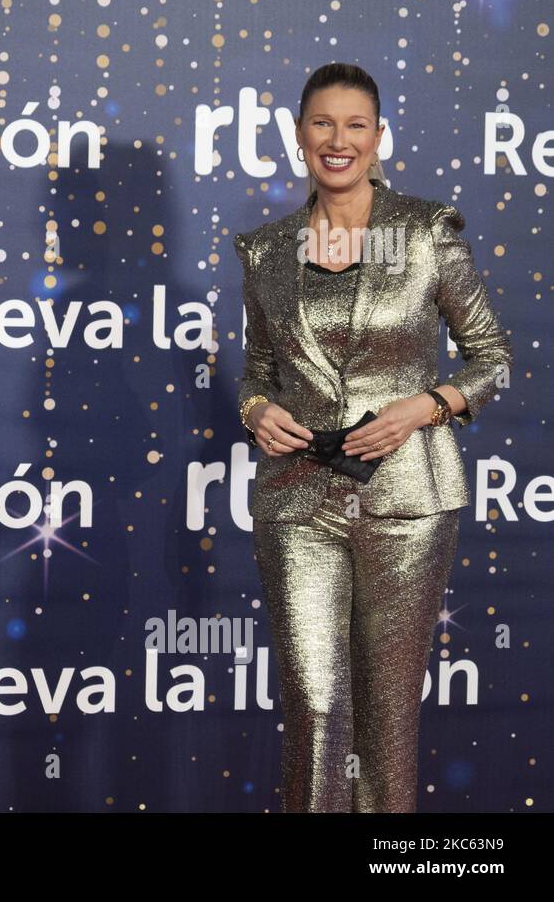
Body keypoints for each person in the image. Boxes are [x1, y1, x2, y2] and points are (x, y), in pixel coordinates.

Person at [234, 63, 512, 812]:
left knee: (387, 719)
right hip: (297, 504)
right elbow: (257, 370)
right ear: (299, 136)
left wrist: (428, 405)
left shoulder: (423, 232)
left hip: (409, 503)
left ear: (378, 137)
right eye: (322, 123)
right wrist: (255, 410)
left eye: (355, 125)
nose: (338, 140)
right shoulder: (266, 251)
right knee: (316, 710)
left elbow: (491, 357)